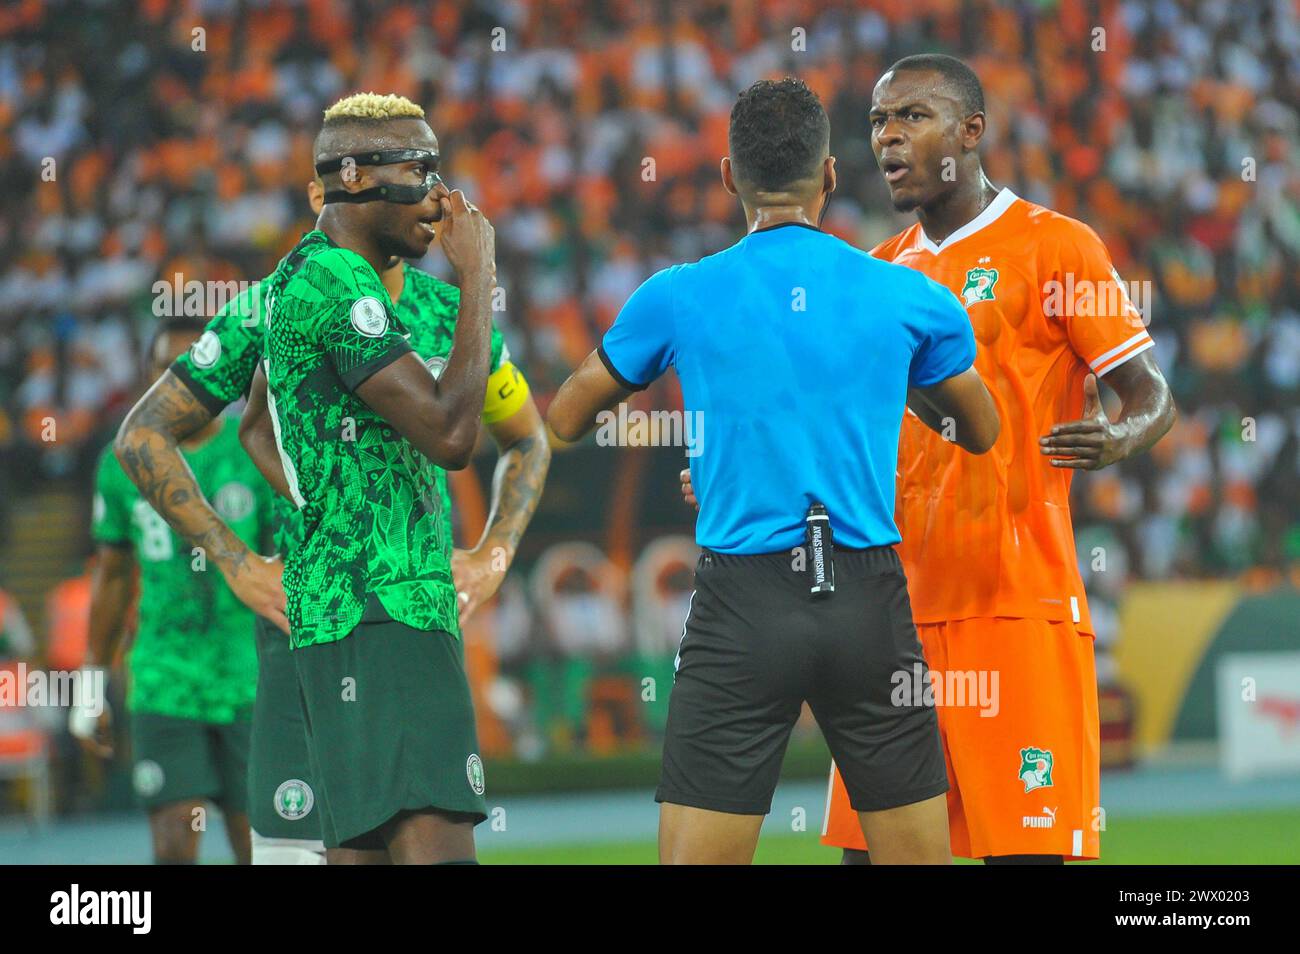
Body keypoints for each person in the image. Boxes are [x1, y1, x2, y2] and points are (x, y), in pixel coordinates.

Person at [548, 77, 1000, 865]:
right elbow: (981, 429)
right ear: (829, 177)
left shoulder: (677, 296)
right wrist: (886, 391)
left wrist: (722, 454)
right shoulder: (907, 295)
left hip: (741, 605)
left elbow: (565, 418)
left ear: (729, 176)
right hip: (867, 600)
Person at [816, 54, 1176, 863]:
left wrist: (1120, 436)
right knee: (866, 857)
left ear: (971, 131)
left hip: (1015, 604)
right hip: (895, 616)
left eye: (912, 115)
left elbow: (1151, 393)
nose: (889, 137)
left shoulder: (1058, 248)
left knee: (1027, 854)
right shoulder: (875, 272)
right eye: (878, 121)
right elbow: (846, 436)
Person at [258, 92, 497, 864]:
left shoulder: (298, 276)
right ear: (352, 176)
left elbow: (257, 426)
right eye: (417, 167)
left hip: (337, 612)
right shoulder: (338, 285)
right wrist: (479, 274)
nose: (439, 193)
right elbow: (453, 434)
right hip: (387, 608)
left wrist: (322, 515)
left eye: (438, 165)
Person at [76, 317, 268, 864]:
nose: (181, 380)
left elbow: (286, 564)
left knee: (255, 844)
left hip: (248, 677)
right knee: (173, 843)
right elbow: (111, 577)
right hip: (163, 675)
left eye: (194, 366)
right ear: (148, 378)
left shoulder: (254, 445)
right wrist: (92, 682)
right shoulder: (121, 461)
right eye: (167, 368)